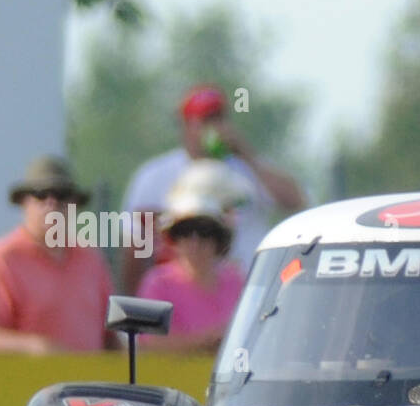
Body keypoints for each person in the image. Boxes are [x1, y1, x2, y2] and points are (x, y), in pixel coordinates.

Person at [120, 84, 304, 293]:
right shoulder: (154, 176)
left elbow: (295, 200)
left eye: (219, 119)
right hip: (182, 300)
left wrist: (246, 153)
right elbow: (134, 248)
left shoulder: (247, 169)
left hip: (246, 291)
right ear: (186, 126)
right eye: (205, 121)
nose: (214, 128)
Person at [0, 157, 118, 353]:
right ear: (24, 203)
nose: (52, 203)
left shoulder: (91, 259)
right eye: (41, 194)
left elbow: (111, 337)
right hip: (28, 382)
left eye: (62, 195)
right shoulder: (3, 258)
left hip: (88, 381)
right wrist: (36, 347)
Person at [136, 164, 245, 353]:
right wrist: (210, 340)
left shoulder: (237, 282)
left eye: (204, 232)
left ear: (218, 240)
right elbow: (150, 343)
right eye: (185, 232)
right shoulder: (158, 283)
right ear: (174, 239)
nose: (195, 242)